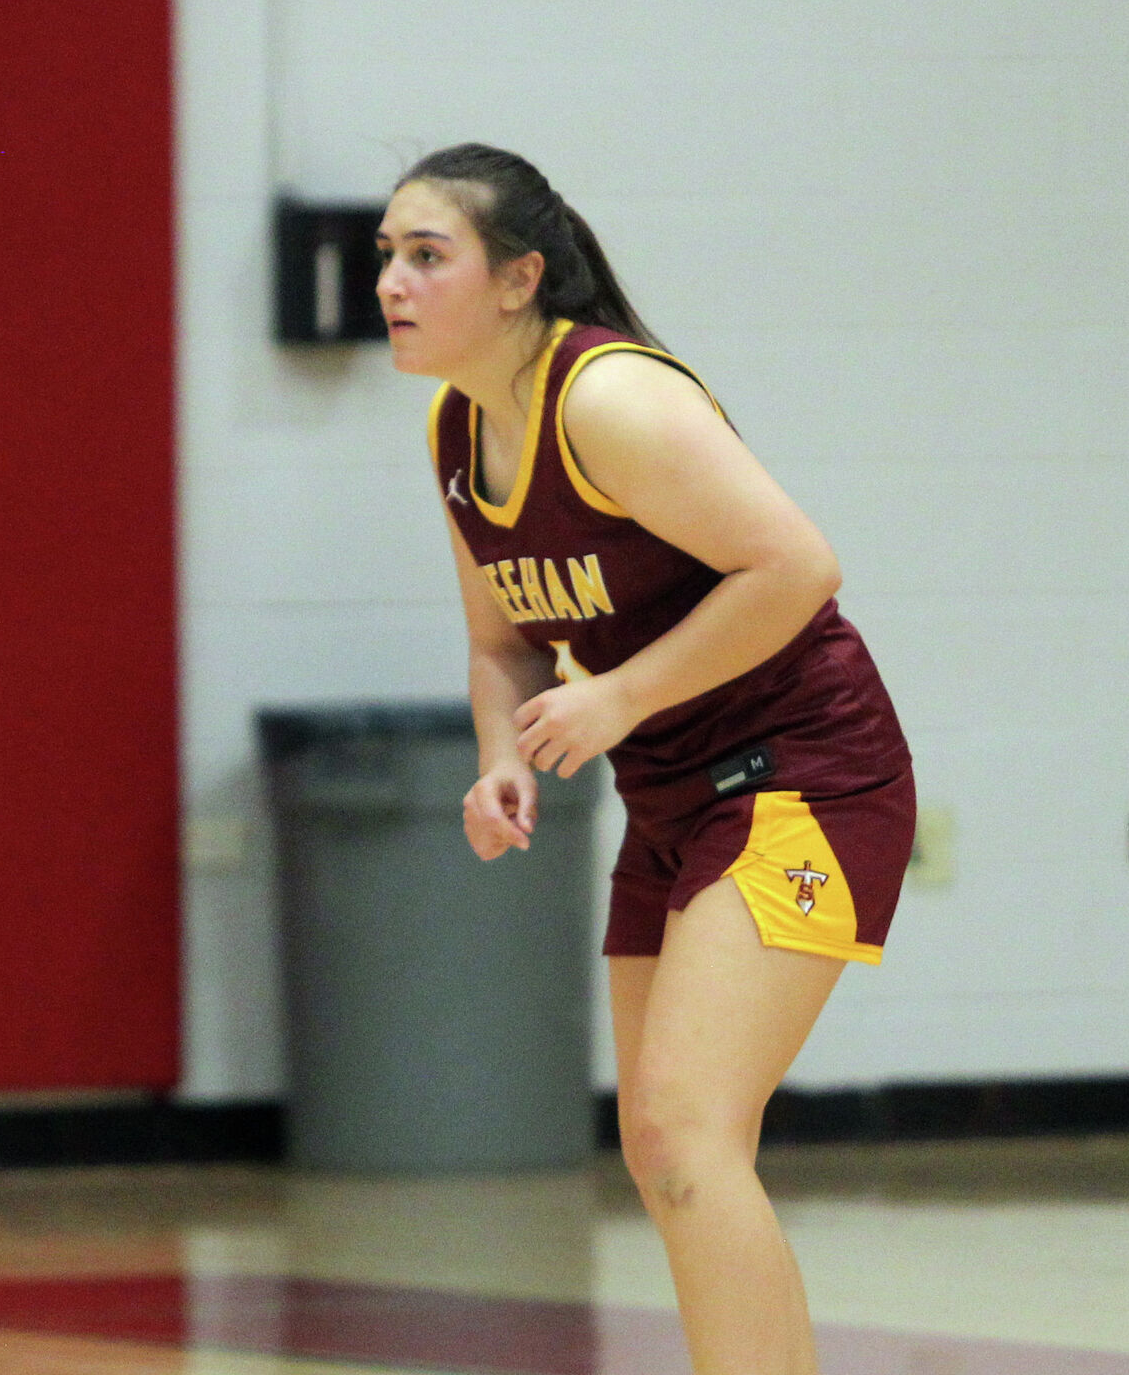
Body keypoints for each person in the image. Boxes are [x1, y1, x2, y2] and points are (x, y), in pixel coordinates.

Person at [377, 144, 914, 1375]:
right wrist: (498, 754)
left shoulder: (609, 400)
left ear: (517, 281)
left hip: (804, 773)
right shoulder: (456, 430)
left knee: (684, 1133)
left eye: (426, 256)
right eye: (385, 260)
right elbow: (499, 641)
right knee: (664, 1149)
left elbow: (797, 569)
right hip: (673, 792)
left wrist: (615, 697)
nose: (393, 285)